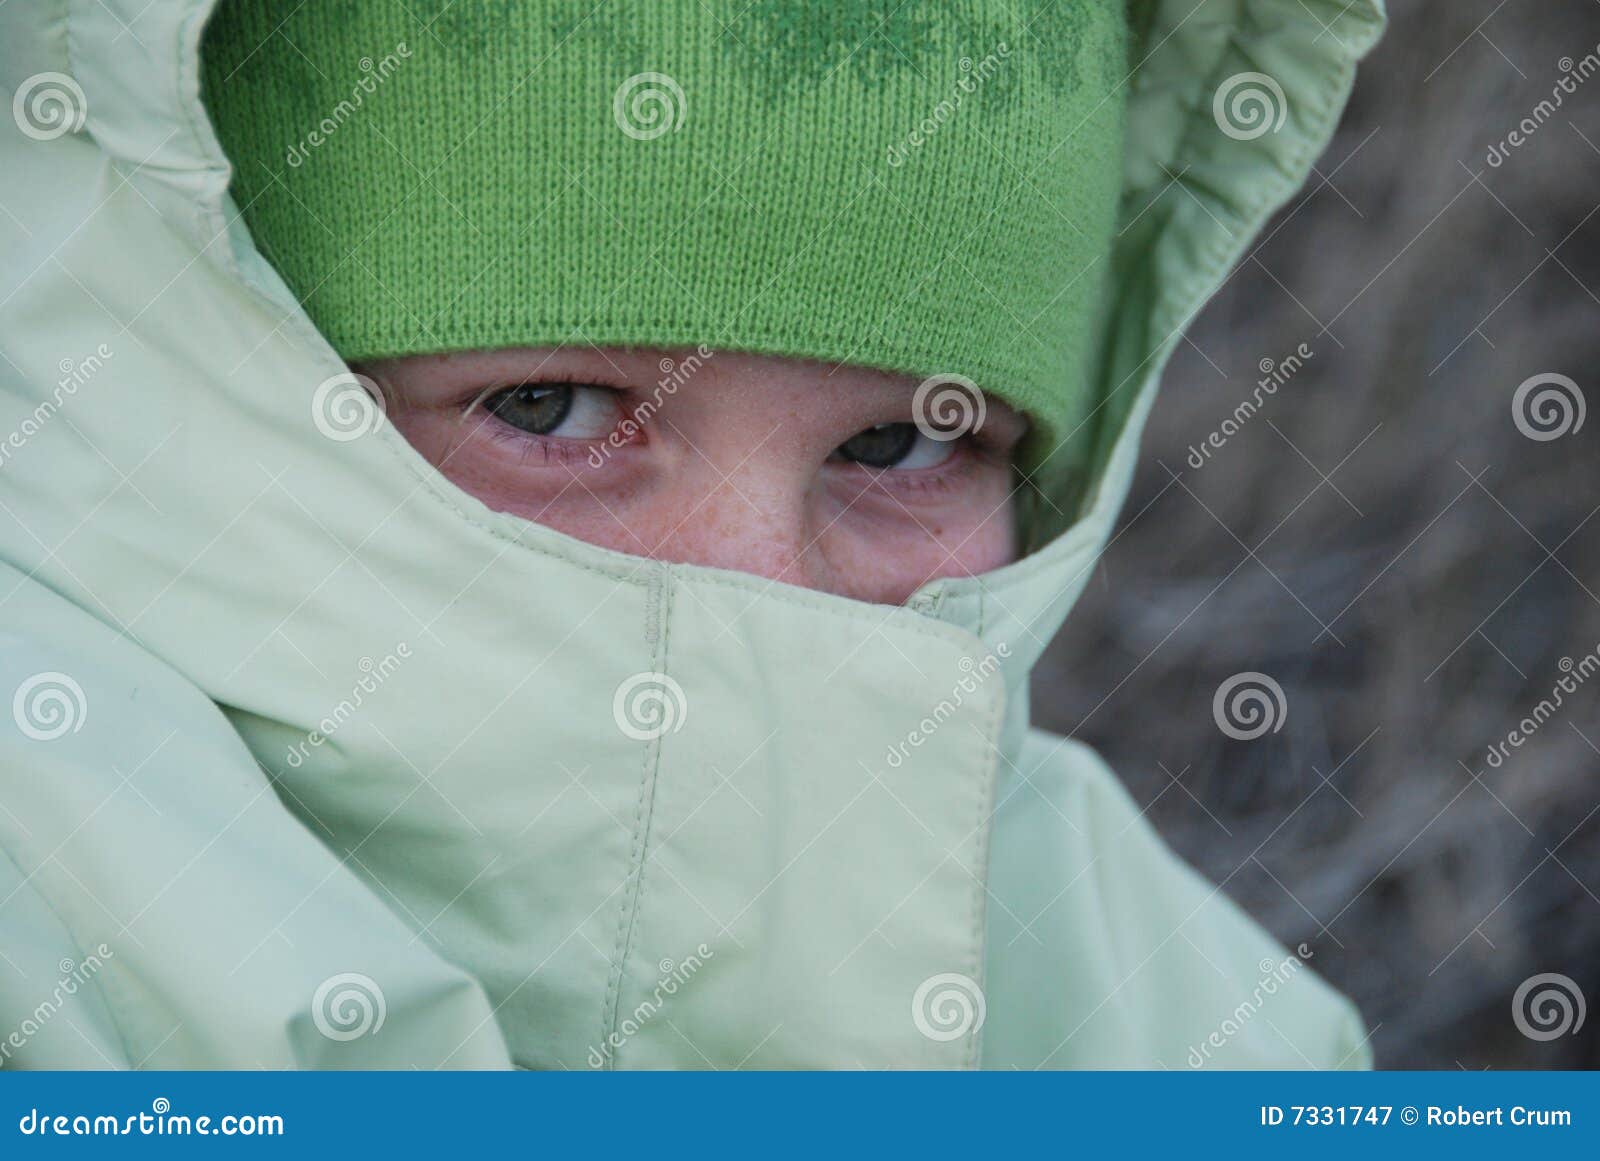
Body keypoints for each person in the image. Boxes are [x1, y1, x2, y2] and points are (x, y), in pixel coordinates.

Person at [0, 0, 1385, 1068]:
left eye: (900, 445)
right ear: (195, 375)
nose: (761, 591)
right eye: (548, 408)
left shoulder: (1190, 1026)